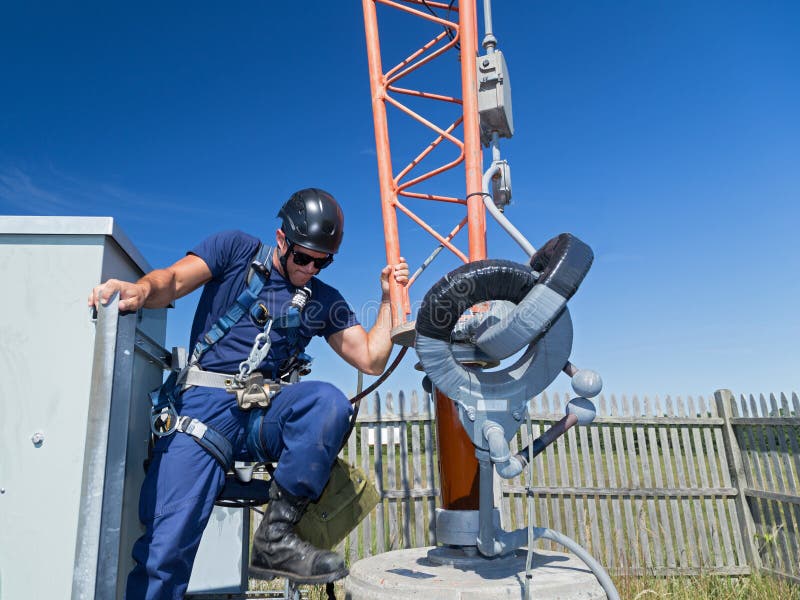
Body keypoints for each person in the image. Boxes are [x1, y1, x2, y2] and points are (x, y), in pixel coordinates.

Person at [88, 188, 409, 599]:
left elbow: (371, 359)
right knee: (165, 551)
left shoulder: (322, 300)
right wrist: (143, 291)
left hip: (261, 416)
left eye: (322, 261)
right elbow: (173, 280)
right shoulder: (235, 250)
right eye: (302, 257)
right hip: (201, 413)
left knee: (328, 403)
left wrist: (386, 299)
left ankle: (275, 538)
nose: (311, 268)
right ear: (281, 240)